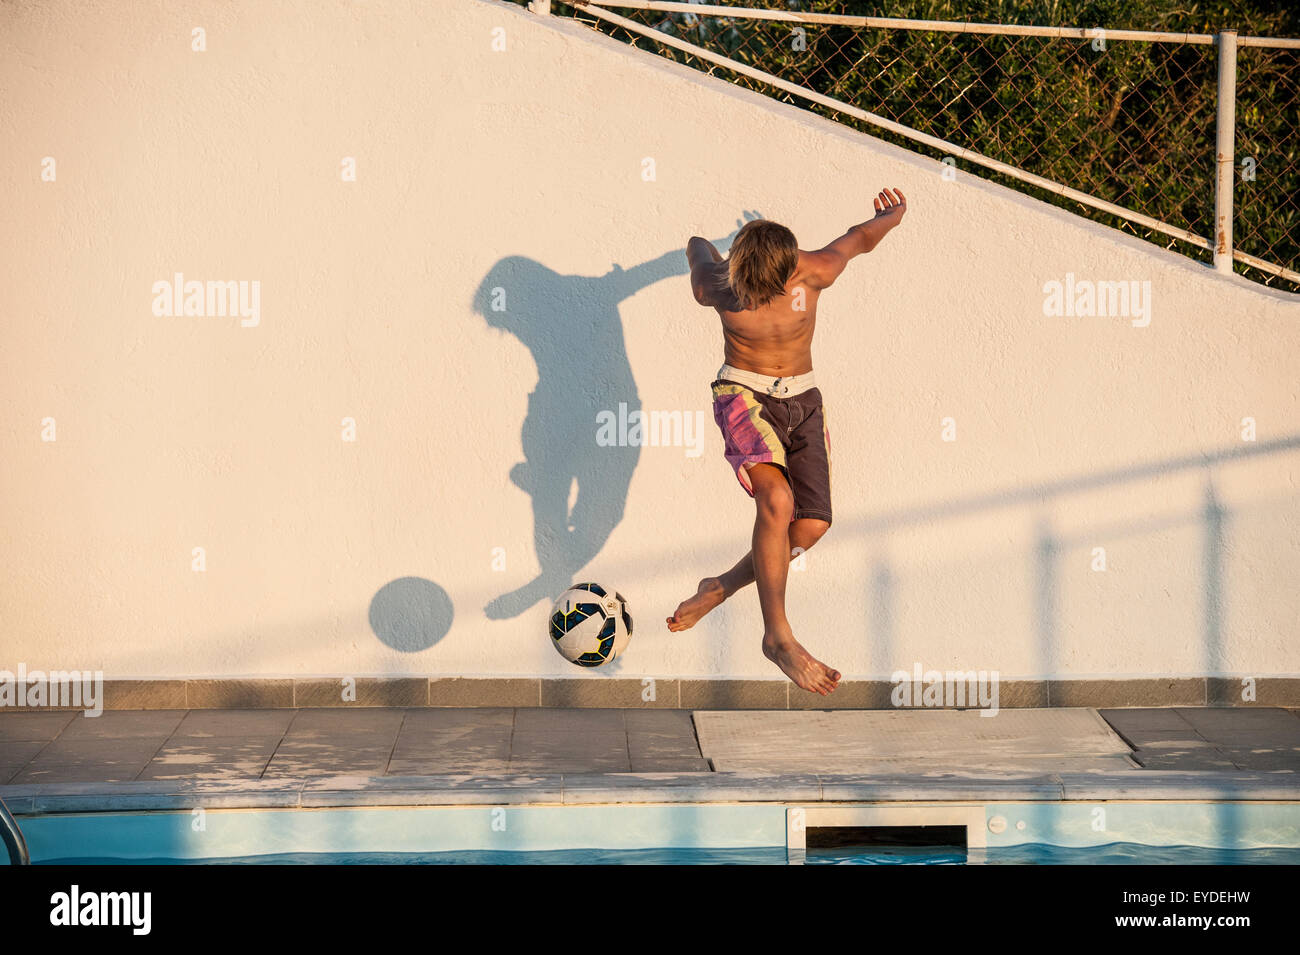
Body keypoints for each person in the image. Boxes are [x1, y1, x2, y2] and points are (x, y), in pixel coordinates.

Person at [666, 189, 908, 695]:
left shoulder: (815, 269)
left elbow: (861, 239)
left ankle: (721, 586)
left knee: (813, 525)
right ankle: (777, 636)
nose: (750, 298)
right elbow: (694, 245)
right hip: (742, 393)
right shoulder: (715, 283)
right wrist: (708, 252)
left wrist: (891, 216)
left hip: (804, 399)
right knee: (775, 500)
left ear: (788, 272)